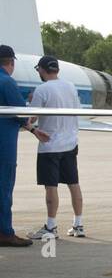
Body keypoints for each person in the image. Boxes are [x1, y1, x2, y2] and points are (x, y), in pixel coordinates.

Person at [25, 55, 85, 239]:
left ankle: (51, 227)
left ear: (42, 70)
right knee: (73, 184)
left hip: (50, 145)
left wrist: (30, 102)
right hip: (70, 143)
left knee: (51, 186)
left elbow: (31, 118)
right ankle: (78, 224)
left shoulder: (42, 89)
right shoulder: (71, 87)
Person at [0, 45, 32, 247]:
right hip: (4, 145)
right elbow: (21, 113)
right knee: (3, 189)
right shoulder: (7, 82)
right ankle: (5, 232)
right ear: (10, 63)